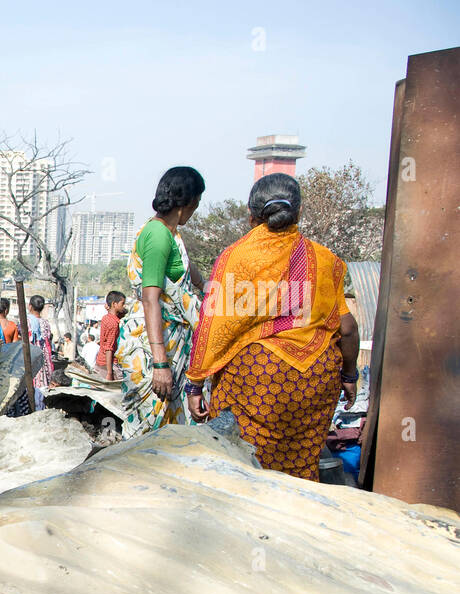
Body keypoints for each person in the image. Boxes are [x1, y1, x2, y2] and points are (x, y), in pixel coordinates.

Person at [186, 173, 360, 481]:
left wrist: (195, 384)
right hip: (314, 381)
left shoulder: (235, 257)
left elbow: (211, 326)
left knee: (244, 469)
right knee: (300, 471)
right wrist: (349, 375)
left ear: (251, 214)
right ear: (299, 212)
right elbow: (347, 328)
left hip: (253, 381)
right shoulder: (325, 260)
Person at [113, 166, 207, 434]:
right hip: (152, 347)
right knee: (146, 435)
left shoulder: (172, 235)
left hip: (171, 343)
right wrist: (160, 363)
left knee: (169, 435)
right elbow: (151, 299)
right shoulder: (158, 236)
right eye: (197, 202)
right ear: (189, 201)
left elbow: (192, 275)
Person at [25, 295, 54, 410]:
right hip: (44, 361)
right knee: (42, 390)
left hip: (32, 359)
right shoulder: (45, 323)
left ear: (30, 306)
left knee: (33, 390)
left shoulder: (26, 321)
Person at [96, 291, 127, 381]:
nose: (124, 306)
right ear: (114, 304)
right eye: (122, 303)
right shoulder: (114, 324)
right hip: (110, 364)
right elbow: (109, 349)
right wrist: (109, 373)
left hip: (101, 361)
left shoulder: (106, 318)